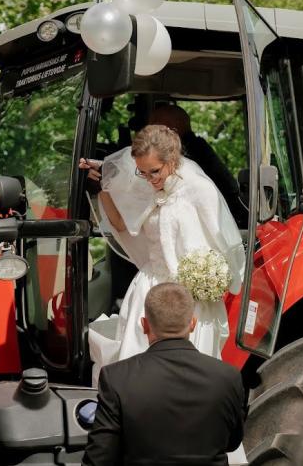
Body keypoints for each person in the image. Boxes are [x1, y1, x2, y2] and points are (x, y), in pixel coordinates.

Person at [82, 124, 245, 372]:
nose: (150, 179)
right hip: (149, 287)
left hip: (189, 296)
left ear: (172, 159)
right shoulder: (145, 185)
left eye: (155, 171)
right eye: (142, 173)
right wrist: (101, 190)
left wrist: (209, 277)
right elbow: (120, 224)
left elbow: (222, 241)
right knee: (135, 366)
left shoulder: (200, 189)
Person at [82, 283, 246, 466]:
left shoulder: (116, 378)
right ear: (192, 323)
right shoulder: (228, 377)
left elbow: (99, 458)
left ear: (144, 325)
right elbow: (232, 442)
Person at [148, 104, 248, 227]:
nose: (148, 129)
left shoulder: (188, 155)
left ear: (172, 128)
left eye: (154, 123)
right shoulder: (197, 147)